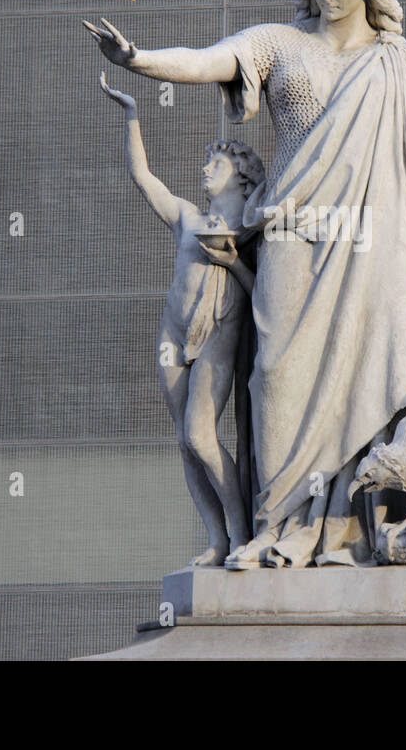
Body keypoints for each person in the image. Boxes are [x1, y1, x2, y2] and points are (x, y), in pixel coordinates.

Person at [92, 0, 406, 568]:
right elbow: (206, 60)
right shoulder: (280, 44)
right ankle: (275, 527)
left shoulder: (403, 63)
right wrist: (138, 59)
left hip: (379, 240)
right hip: (295, 232)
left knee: (382, 376)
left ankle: (353, 525)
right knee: (273, 375)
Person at [98, 72, 262, 567]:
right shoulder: (188, 217)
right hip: (172, 335)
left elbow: (266, 301)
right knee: (185, 445)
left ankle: (241, 535)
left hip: (216, 337)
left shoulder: (252, 225)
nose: (205, 167)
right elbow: (143, 178)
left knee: (200, 436)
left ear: (240, 174)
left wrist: (233, 262)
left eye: (216, 162)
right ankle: (216, 540)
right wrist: (132, 116)